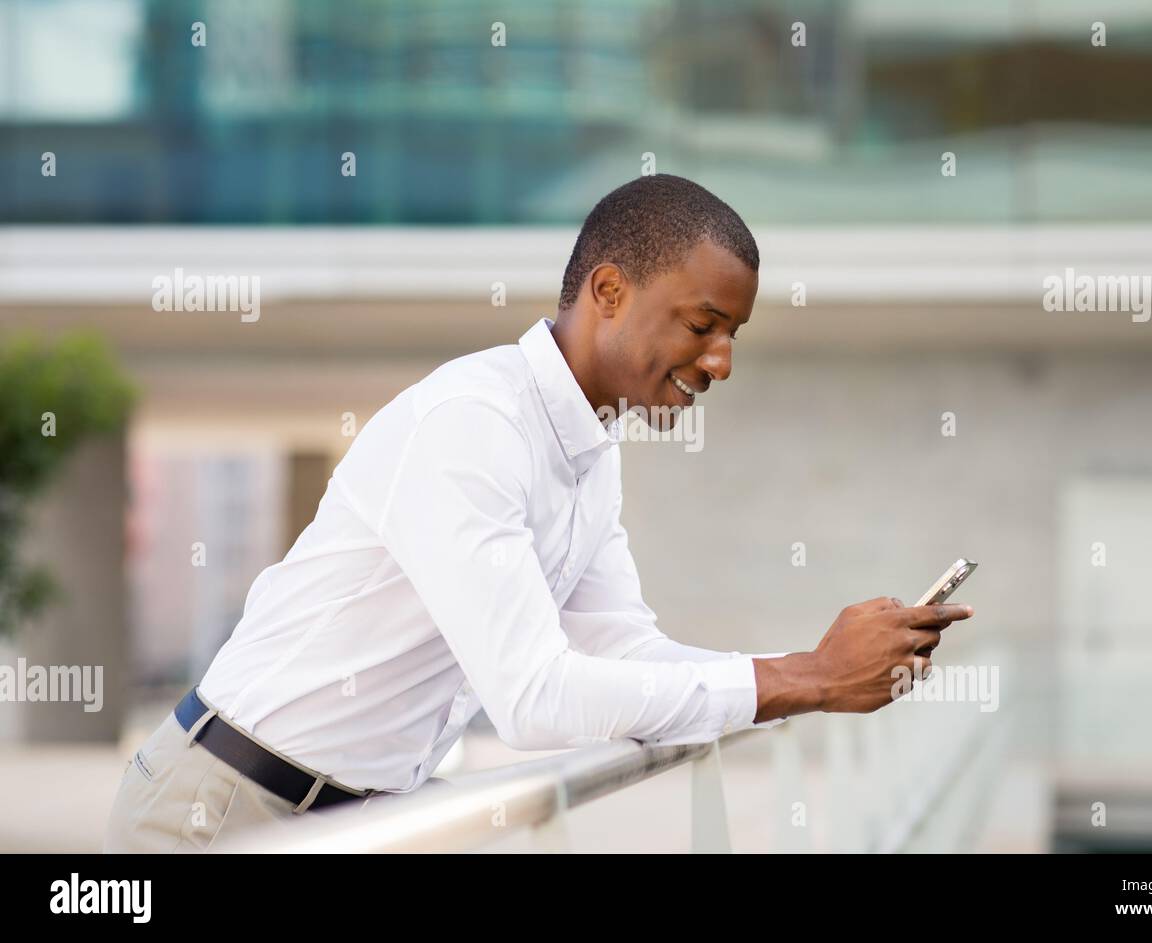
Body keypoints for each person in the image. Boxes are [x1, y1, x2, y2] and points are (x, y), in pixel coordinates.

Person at [103, 174, 972, 852]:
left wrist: (813, 674)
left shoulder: (589, 449)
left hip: (358, 819)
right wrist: (808, 677)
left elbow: (623, 646)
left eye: (733, 333)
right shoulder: (475, 425)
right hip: (221, 813)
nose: (723, 361)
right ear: (607, 290)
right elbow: (533, 698)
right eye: (704, 324)